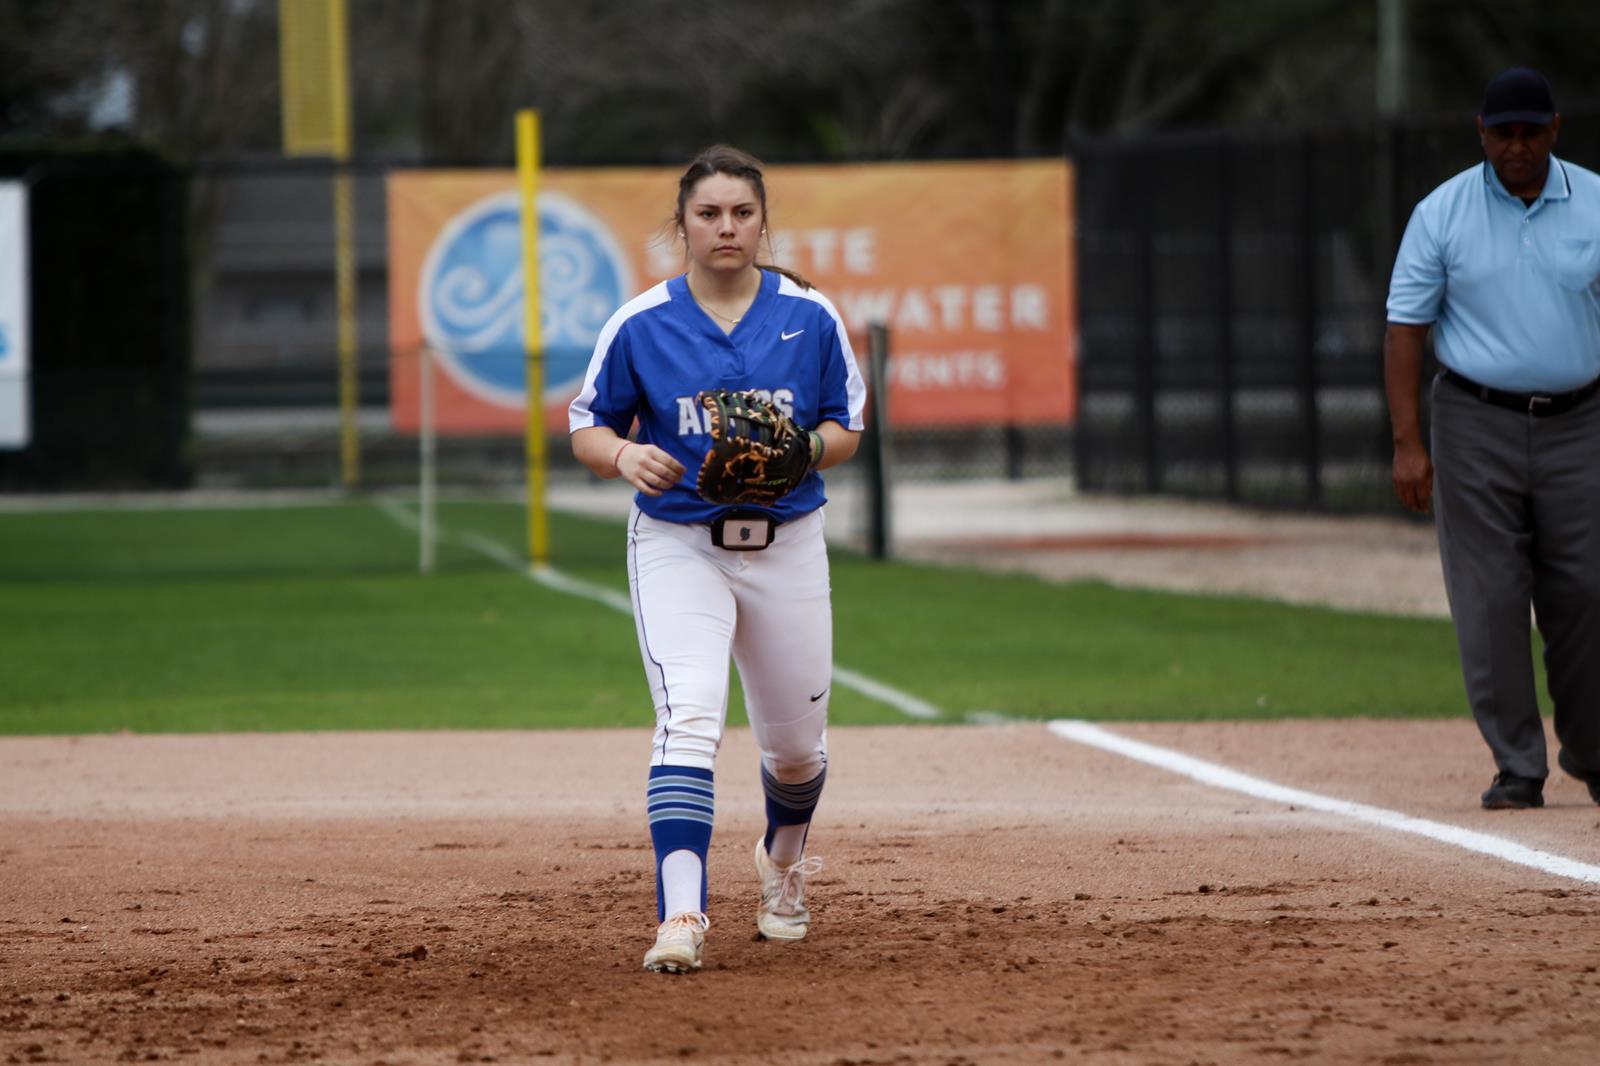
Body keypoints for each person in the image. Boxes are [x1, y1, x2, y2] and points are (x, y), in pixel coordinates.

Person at [568, 145, 865, 971]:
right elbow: (587, 423)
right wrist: (624, 458)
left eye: (741, 212)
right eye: (709, 213)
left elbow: (847, 426)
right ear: (683, 225)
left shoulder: (809, 316)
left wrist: (803, 447)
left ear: (763, 222)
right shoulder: (641, 323)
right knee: (688, 719)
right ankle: (682, 916)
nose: (726, 227)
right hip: (678, 542)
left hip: (788, 543)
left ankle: (781, 865)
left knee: (798, 752)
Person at [1385, 66, 1600, 811]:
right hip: (1474, 421)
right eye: (1502, 133)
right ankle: (1518, 763)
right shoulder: (1441, 213)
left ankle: (1593, 745)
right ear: (1481, 134)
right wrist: (1409, 442)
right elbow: (1405, 327)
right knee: (1489, 597)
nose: (1516, 145)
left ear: (1554, 130)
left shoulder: (1597, 203)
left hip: (1582, 420)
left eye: (1530, 131)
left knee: (1588, 589)